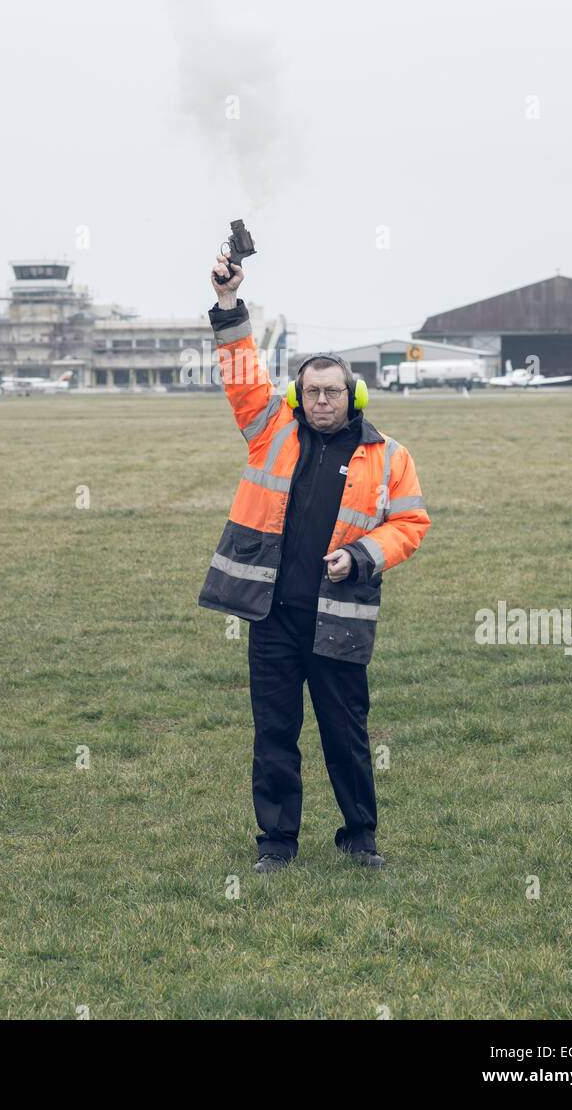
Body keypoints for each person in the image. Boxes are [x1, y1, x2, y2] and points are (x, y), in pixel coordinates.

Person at [198, 249, 430, 873]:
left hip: (340, 615)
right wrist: (228, 305)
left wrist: (360, 556)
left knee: (345, 734)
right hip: (270, 616)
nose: (322, 400)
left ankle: (359, 838)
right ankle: (277, 843)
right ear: (299, 396)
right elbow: (242, 374)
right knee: (274, 734)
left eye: (332, 391)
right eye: (312, 391)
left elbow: (410, 523)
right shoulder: (271, 429)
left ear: (353, 394)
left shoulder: (389, 455)